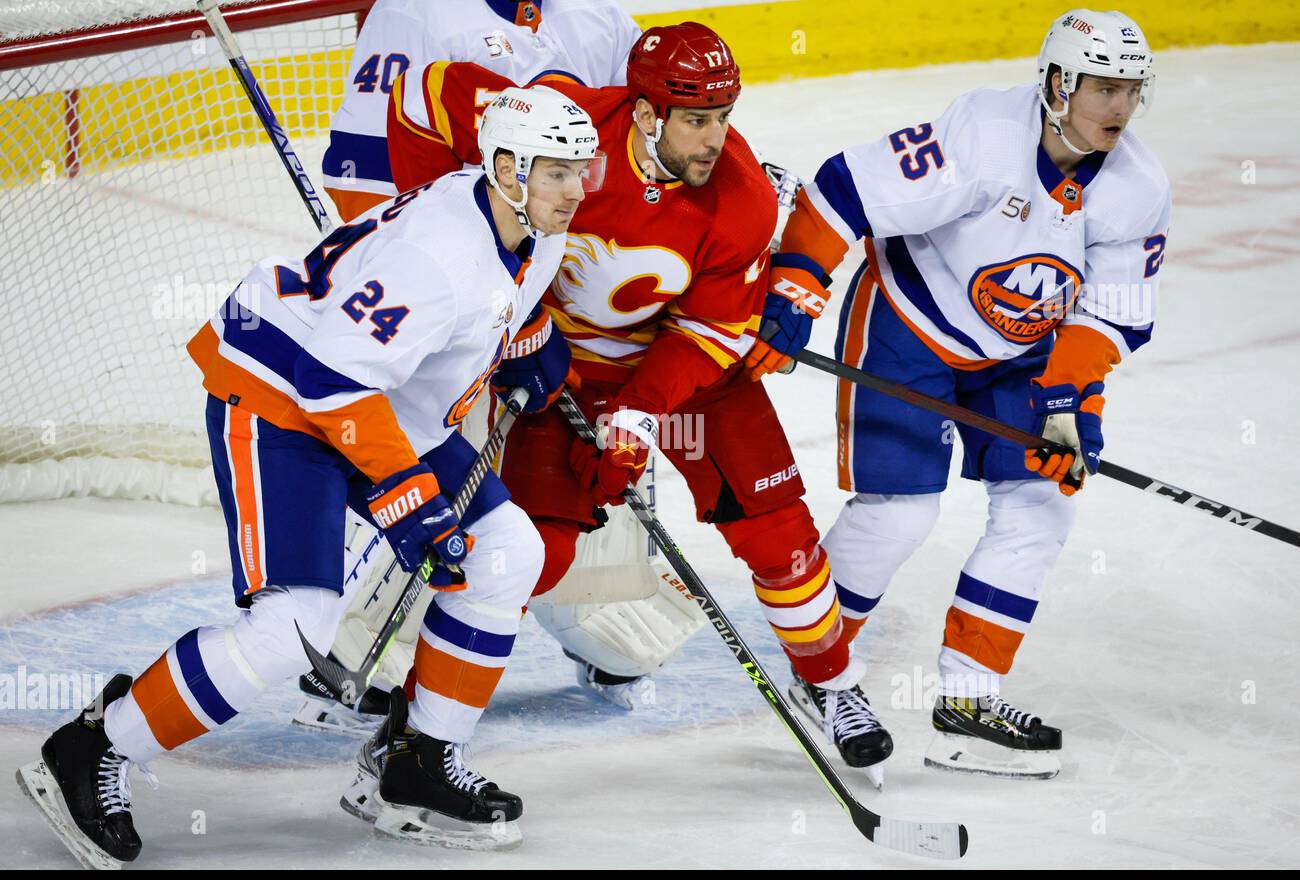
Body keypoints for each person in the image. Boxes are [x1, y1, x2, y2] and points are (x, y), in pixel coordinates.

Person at [17, 86, 601, 865]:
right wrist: (409, 500)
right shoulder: (435, 257)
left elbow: (501, 299)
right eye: (558, 173)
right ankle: (94, 749)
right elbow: (330, 379)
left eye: (580, 170)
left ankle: (414, 765)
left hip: (382, 401)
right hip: (284, 396)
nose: (578, 189)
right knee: (293, 630)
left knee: (507, 553)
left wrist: (530, 344)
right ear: (505, 167)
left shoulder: (527, 222)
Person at [367, 21, 894, 787]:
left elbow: (712, 332)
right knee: (529, 557)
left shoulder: (742, 197)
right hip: (561, 374)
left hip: (686, 379)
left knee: (780, 536)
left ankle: (831, 682)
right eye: (696, 119)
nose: (716, 138)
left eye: (723, 115)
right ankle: (418, 735)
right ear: (647, 114)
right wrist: (451, 231)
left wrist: (642, 412)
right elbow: (422, 98)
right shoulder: (562, 126)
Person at [750, 8, 1168, 778]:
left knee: (1042, 502)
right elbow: (845, 189)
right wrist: (796, 292)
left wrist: (1069, 399)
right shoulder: (979, 136)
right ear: (1057, 82)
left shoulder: (1138, 185)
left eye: (1131, 90)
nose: (1119, 107)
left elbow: (1115, 312)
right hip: (908, 327)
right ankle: (820, 675)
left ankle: (969, 698)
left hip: (1023, 354)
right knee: (903, 512)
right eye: (1103, 87)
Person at [323, 0, 640, 221]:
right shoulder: (410, 14)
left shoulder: (601, 10)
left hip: (591, 237)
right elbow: (361, 174)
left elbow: (646, 133)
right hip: (485, 250)